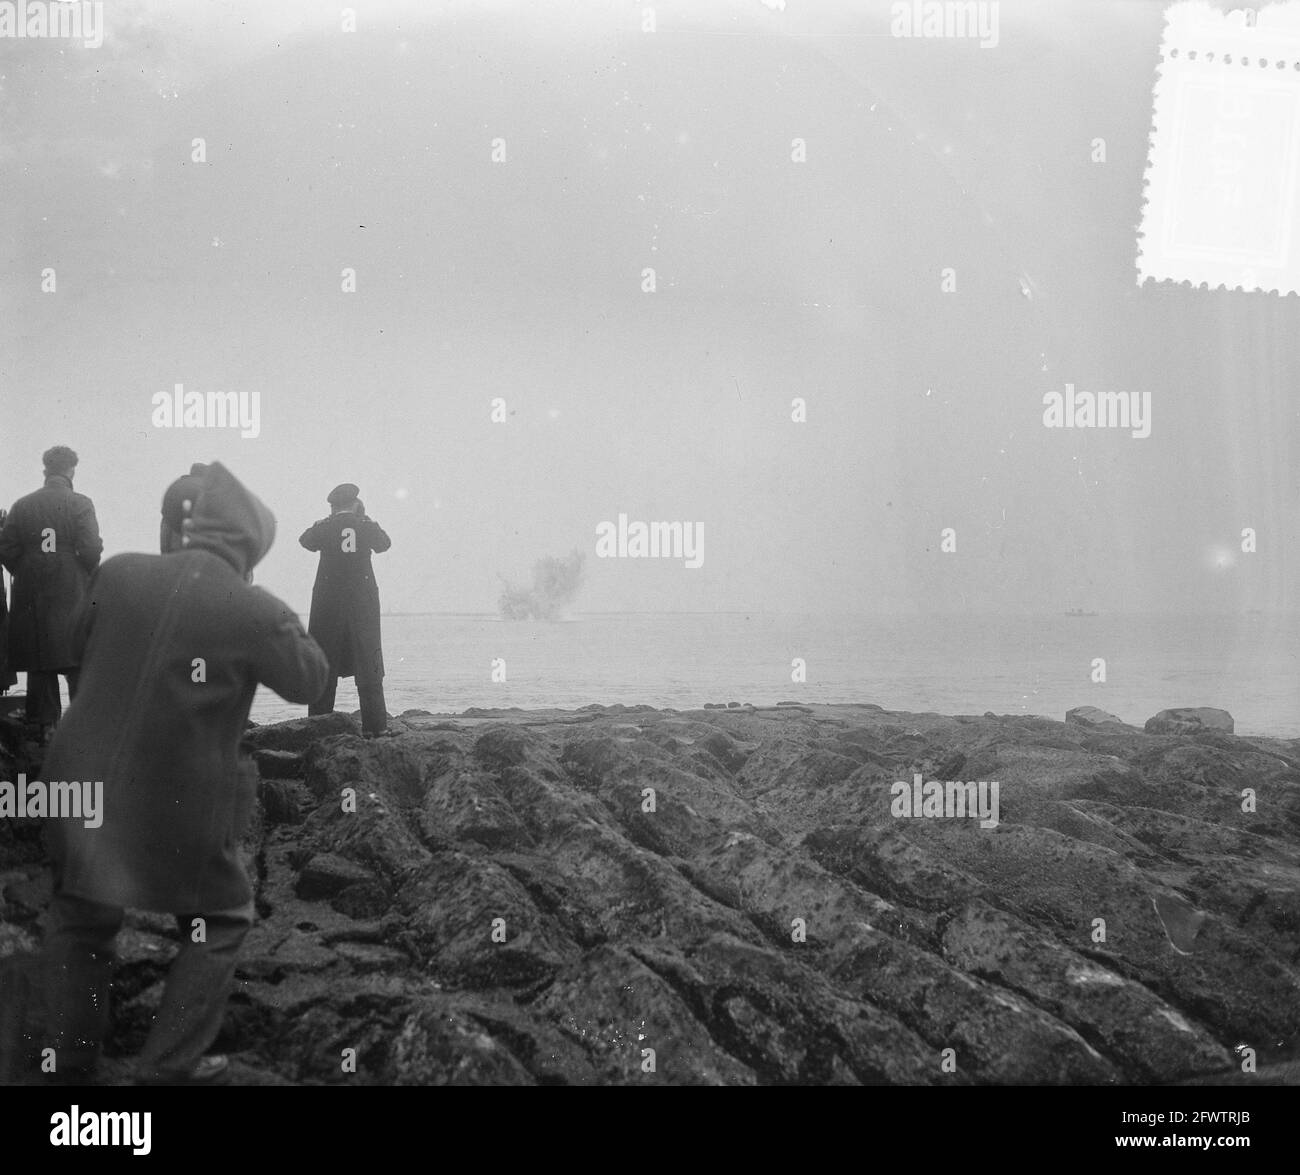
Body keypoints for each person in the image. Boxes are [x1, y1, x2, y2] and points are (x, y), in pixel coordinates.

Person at [40, 462, 329, 1085]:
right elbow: (312, 679)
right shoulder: (252, 606)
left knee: (82, 915)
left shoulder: (117, 572)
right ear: (251, 546)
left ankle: (65, 1068)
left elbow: (73, 646)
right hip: (174, 799)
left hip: (73, 784)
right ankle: (162, 1072)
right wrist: (273, 615)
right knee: (221, 921)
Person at [0, 446, 102, 737]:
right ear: (71, 470)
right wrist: (77, 569)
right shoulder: (80, 503)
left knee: (39, 659)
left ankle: (44, 731)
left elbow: (6, 547)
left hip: (31, 586)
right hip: (71, 584)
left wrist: (28, 568)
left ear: (46, 470)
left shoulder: (22, 505)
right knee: (76, 658)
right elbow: (92, 547)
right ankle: (83, 732)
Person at [300, 483, 392, 737]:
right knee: (369, 664)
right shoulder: (365, 526)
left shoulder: (325, 527)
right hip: (363, 605)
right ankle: (376, 728)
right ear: (355, 503)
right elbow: (385, 543)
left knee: (324, 663)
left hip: (327, 606)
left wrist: (327, 521)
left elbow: (305, 540)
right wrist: (364, 519)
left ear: (333, 507)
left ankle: (318, 728)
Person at [159, 462, 209, 554]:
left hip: (174, 552)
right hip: (196, 555)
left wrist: (165, 553)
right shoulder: (208, 498)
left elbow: (165, 530)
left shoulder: (176, 496)